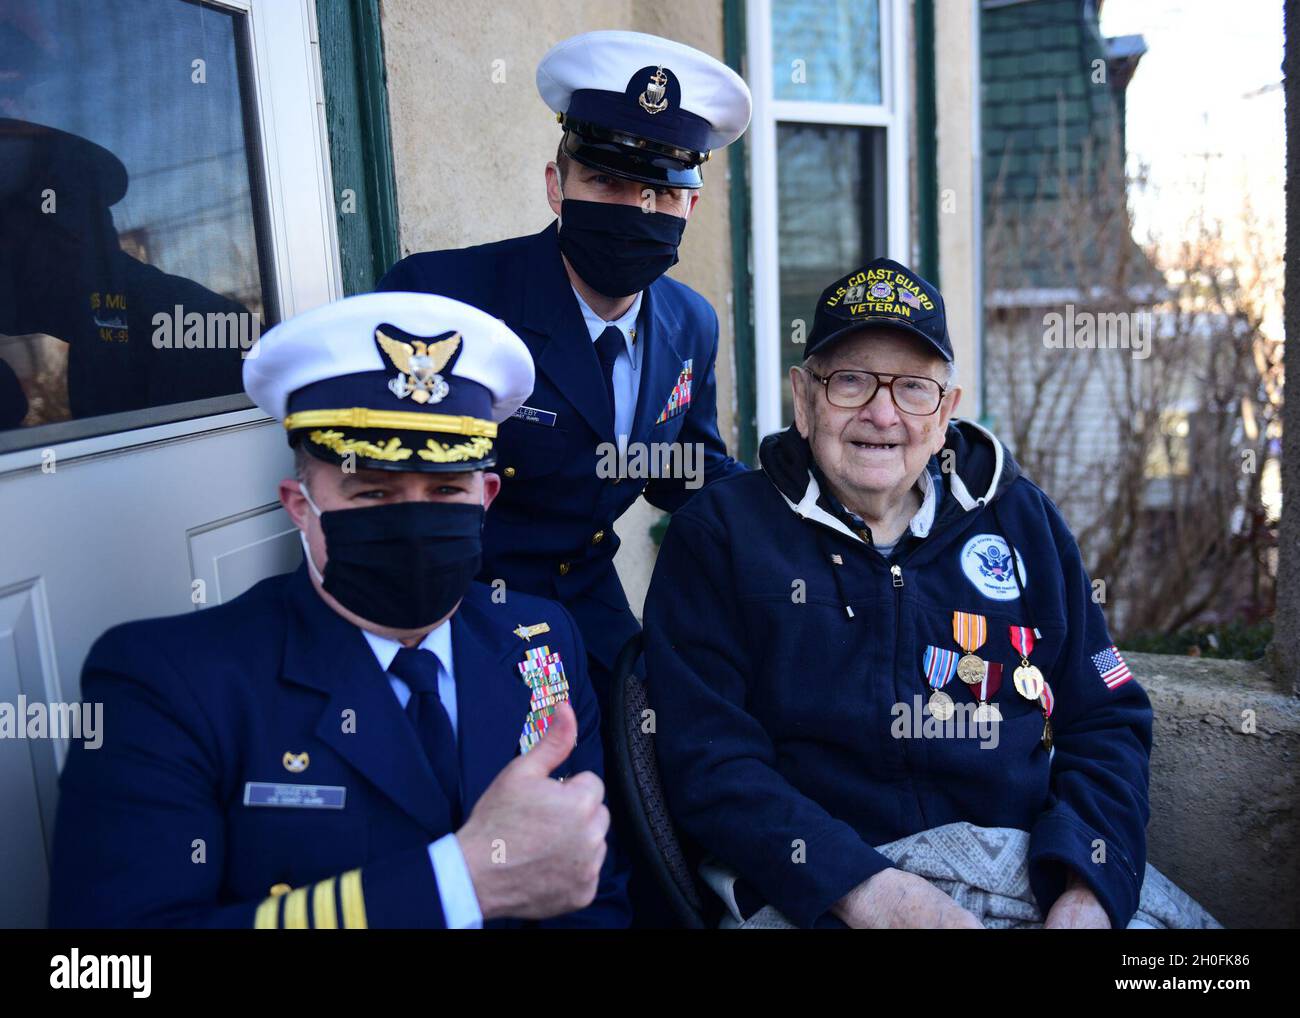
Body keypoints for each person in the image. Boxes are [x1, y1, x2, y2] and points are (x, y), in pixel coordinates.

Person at [48, 292, 629, 928]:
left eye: (444, 489)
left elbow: (589, 884)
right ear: (299, 506)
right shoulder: (167, 684)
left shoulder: (539, 639)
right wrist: (456, 886)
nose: (414, 521)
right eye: (373, 490)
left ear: (485, 496)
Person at [643, 258, 1154, 929]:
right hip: (818, 897)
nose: (882, 414)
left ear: (946, 413)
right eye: (849, 382)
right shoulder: (722, 535)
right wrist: (868, 890)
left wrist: (1087, 888)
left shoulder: (1022, 522)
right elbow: (707, 758)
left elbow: (1105, 719)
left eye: (913, 388)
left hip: (1027, 877)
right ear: (803, 398)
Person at [376, 30, 752, 705]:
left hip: (589, 600)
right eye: (607, 180)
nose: (637, 209)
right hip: (456, 607)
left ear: (689, 206)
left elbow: (681, 470)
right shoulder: (445, 301)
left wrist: (801, 494)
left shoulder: (690, 322)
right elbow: (388, 488)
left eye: (661, 193)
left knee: (654, 763)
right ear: (557, 186)